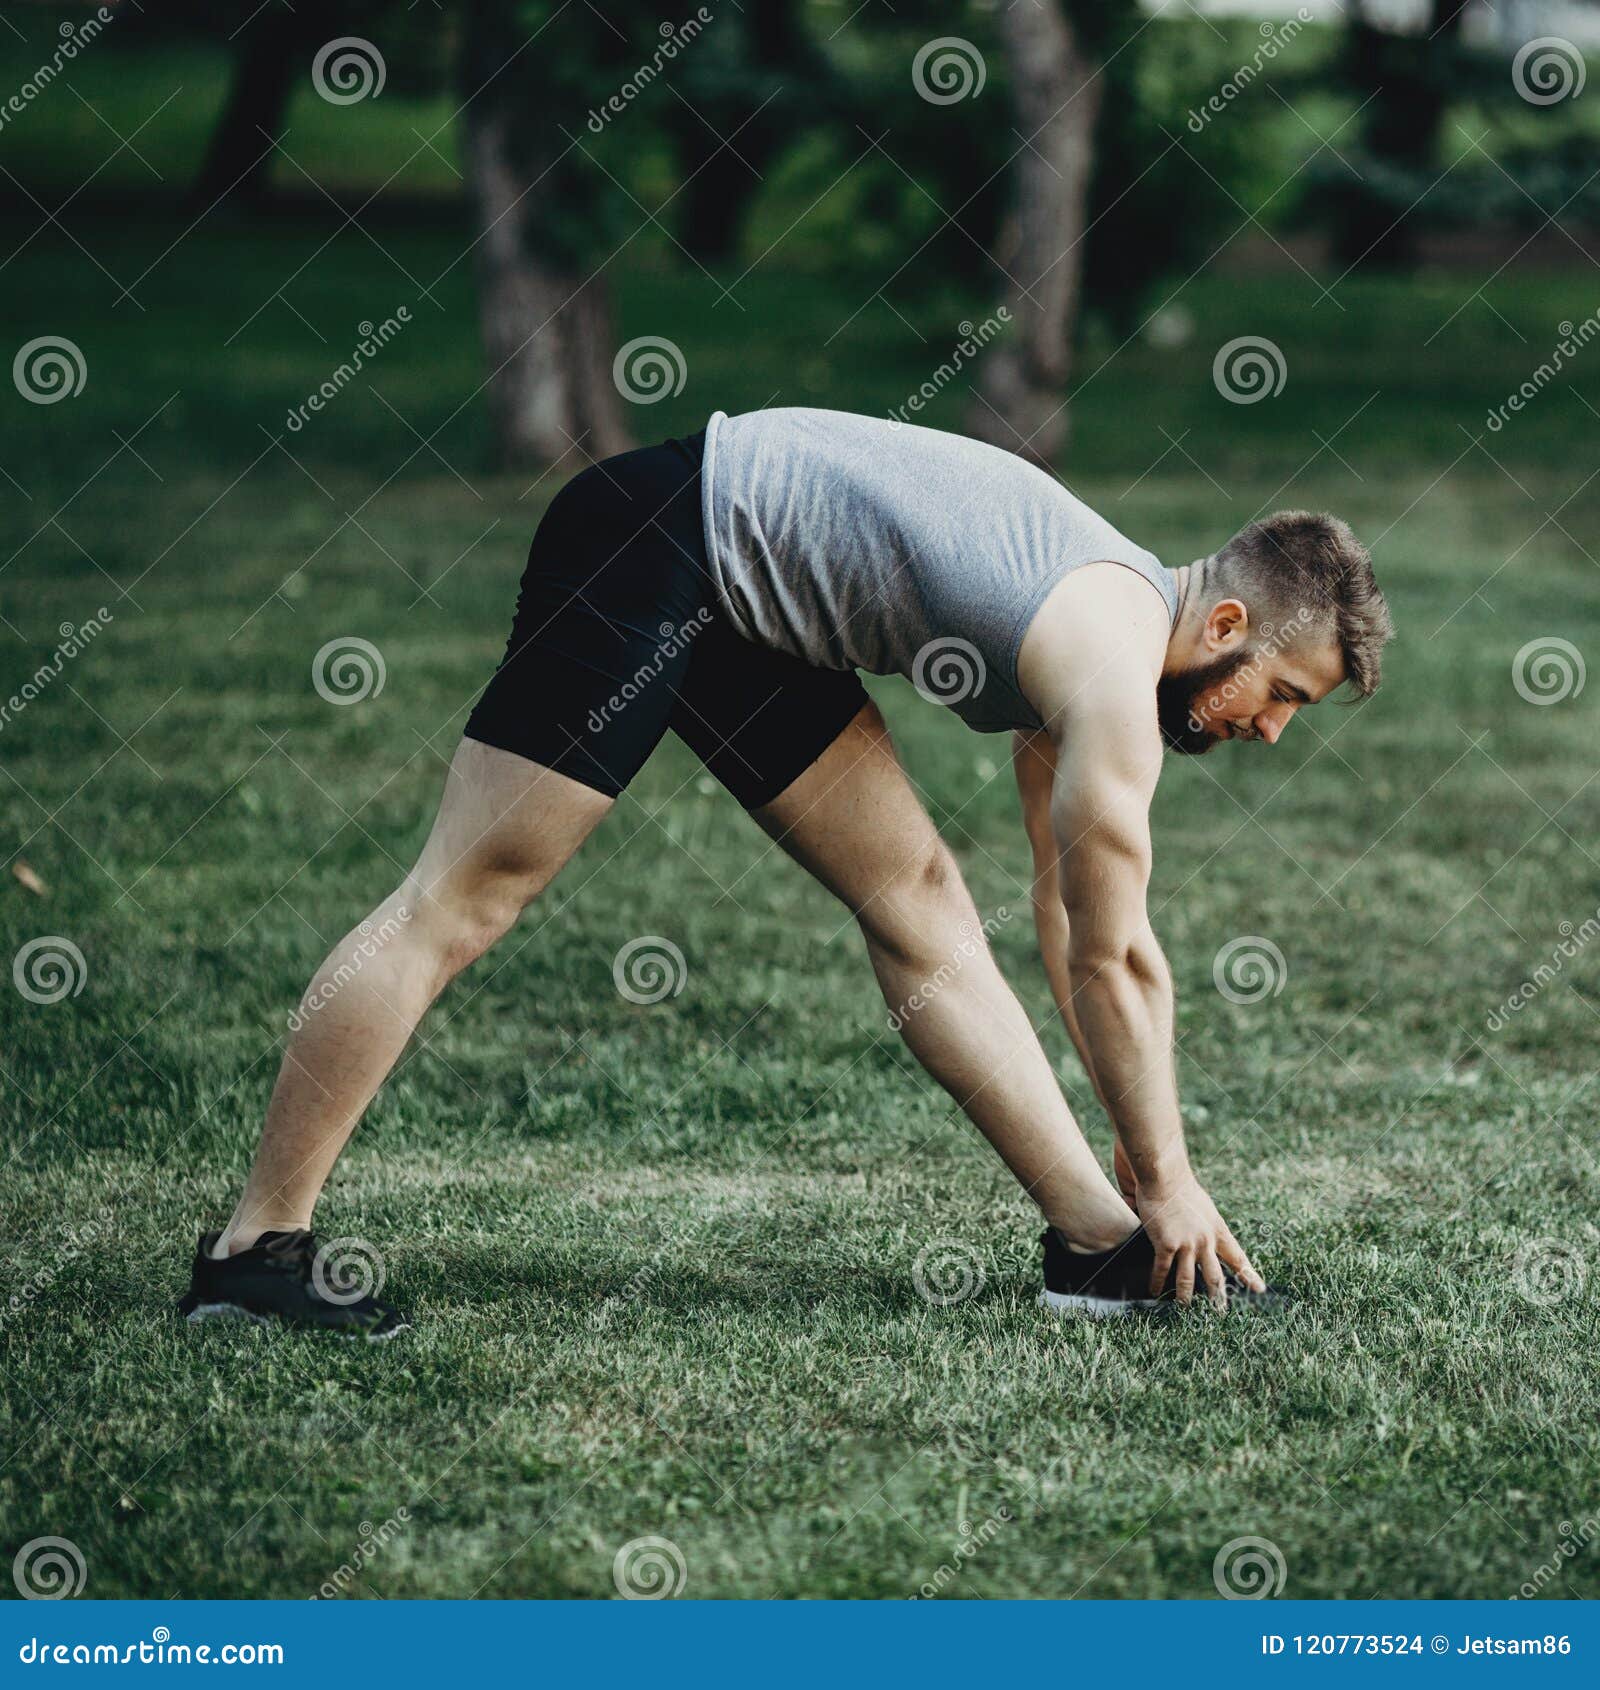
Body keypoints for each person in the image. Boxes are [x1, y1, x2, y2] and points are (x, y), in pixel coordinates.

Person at [178, 408, 1392, 1337]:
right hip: (655, 540)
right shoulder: (1108, 664)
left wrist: (1146, 1160)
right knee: (463, 897)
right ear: (1226, 627)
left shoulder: (1107, 640)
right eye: (1282, 695)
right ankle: (254, 1249)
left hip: (746, 603)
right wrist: (1175, 1180)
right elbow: (1111, 955)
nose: (1272, 729)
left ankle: (1094, 1244)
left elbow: (1076, 916)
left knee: (919, 904)